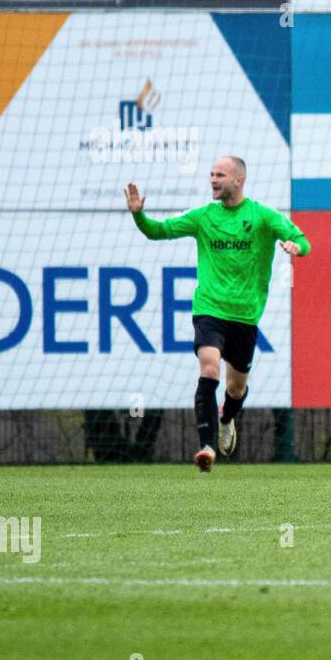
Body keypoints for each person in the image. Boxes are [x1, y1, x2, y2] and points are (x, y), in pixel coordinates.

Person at [126, 156, 310, 472]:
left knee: (236, 388)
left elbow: (302, 240)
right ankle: (207, 446)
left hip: (245, 316)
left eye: (220, 175)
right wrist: (139, 216)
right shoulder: (203, 217)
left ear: (239, 180)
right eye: (211, 174)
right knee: (209, 369)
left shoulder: (262, 216)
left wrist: (296, 247)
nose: (213, 179)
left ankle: (226, 418)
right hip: (209, 310)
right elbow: (158, 232)